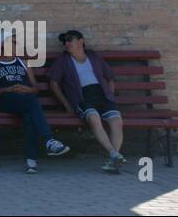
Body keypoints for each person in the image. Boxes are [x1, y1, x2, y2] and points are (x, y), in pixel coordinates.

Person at [0, 28, 69, 173]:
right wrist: (8, 89)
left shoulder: (24, 63)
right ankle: (49, 140)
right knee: (32, 104)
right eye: (14, 42)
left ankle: (31, 163)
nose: (17, 45)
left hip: (26, 99)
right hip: (8, 101)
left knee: (30, 116)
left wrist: (28, 89)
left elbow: (35, 88)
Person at [47, 29, 125, 173]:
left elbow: (110, 78)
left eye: (70, 39)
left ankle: (113, 160)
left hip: (102, 95)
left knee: (117, 121)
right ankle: (114, 154)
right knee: (94, 118)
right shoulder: (63, 60)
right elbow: (53, 82)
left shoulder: (94, 57)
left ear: (81, 41)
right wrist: (66, 104)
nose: (67, 43)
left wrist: (110, 95)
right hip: (82, 97)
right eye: (64, 41)